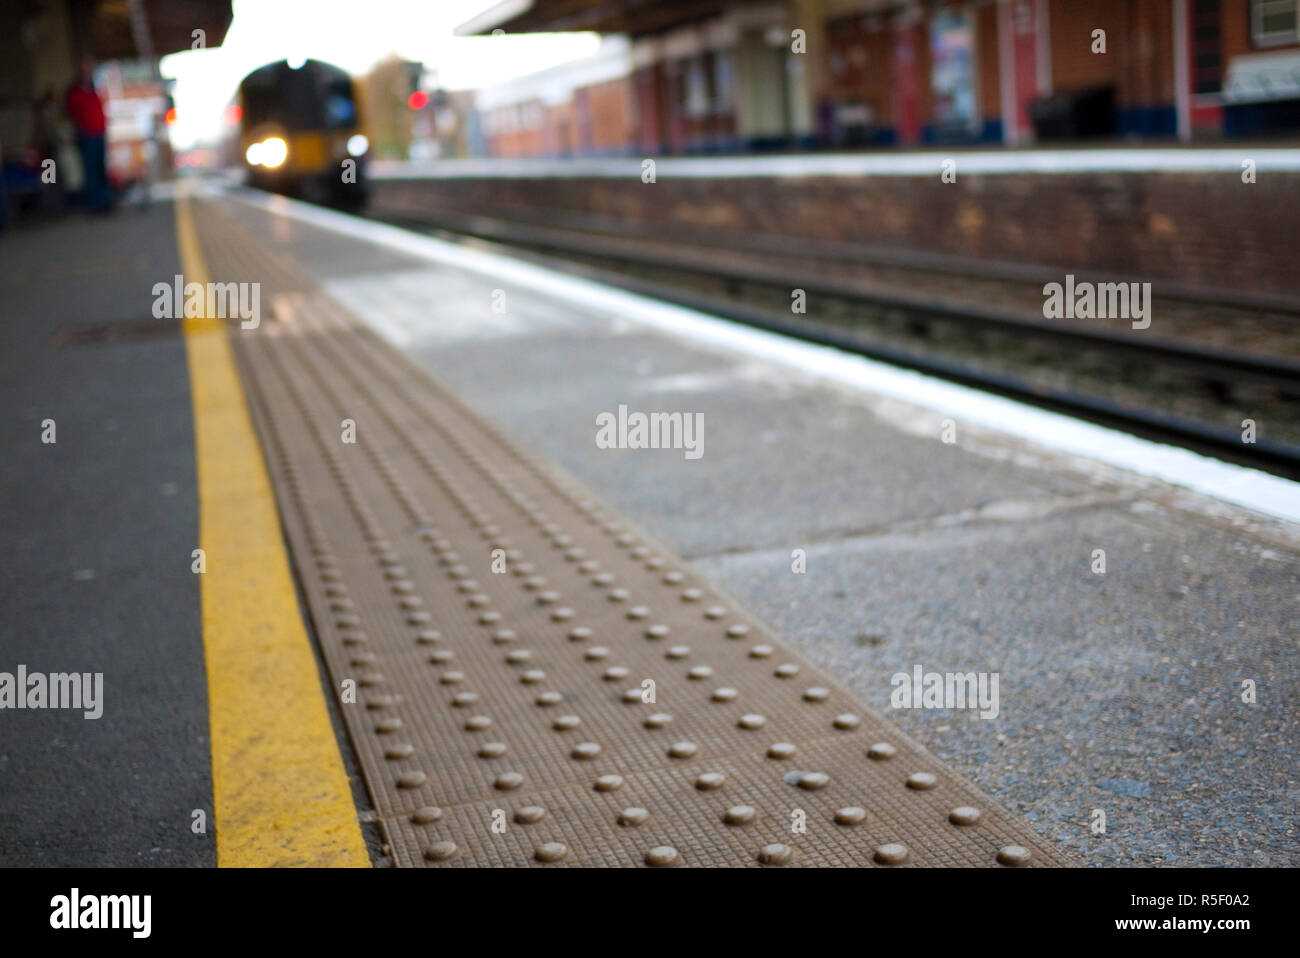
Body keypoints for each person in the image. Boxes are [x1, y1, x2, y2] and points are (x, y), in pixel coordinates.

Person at [65, 56, 111, 213]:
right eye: (85, 67)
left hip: (99, 133)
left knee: (101, 169)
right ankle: (94, 205)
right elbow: (71, 112)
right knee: (91, 171)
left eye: (90, 67)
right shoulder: (75, 91)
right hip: (87, 135)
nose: (88, 70)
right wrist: (81, 129)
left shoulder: (92, 90)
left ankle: (105, 202)